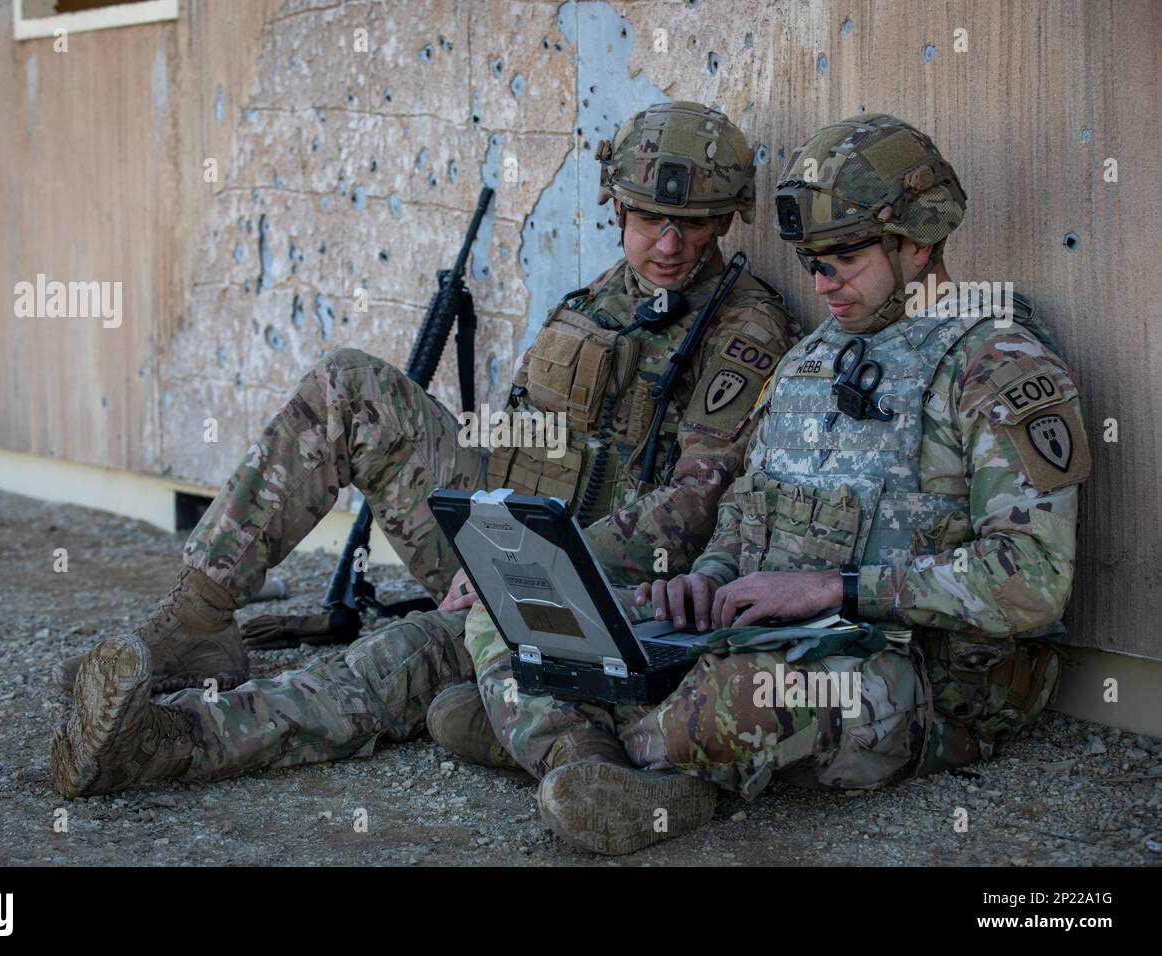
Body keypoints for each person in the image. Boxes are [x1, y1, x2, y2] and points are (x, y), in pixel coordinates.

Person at [49, 101, 799, 799]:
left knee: (399, 656)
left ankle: (169, 744)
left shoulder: (745, 329)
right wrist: (475, 521)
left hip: (605, 588)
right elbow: (523, 433)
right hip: (512, 542)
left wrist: (519, 568)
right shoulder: (609, 295)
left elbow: (695, 507)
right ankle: (199, 618)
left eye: (692, 226)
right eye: (649, 219)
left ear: (727, 221)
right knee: (350, 385)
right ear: (617, 206)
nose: (668, 245)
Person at [455, 113, 1090, 856]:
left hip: (926, 677)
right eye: (810, 261)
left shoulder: (997, 363)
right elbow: (752, 507)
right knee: (517, 614)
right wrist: (712, 579)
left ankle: (555, 737)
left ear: (918, 239)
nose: (822, 284)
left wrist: (839, 588)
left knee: (738, 699)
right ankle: (595, 767)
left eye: (843, 259)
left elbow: (1035, 581)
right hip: (766, 633)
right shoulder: (810, 360)